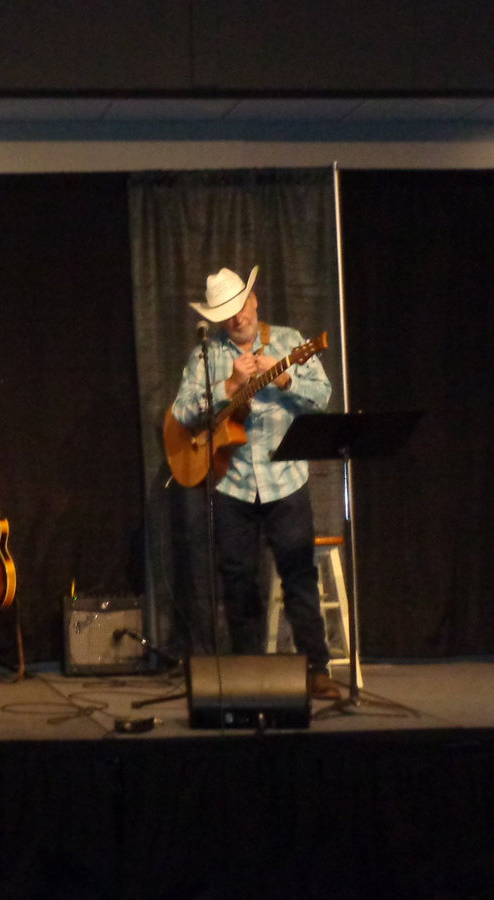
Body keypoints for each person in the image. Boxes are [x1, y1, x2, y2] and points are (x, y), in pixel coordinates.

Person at [171, 264, 341, 700]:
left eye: (241, 306)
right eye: (226, 312)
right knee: (238, 581)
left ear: (255, 300)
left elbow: (323, 397)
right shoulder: (206, 356)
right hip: (233, 483)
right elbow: (182, 413)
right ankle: (248, 672)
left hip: (286, 481)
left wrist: (283, 376)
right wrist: (229, 384)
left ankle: (317, 668)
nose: (237, 317)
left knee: (298, 575)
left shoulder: (288, 340)